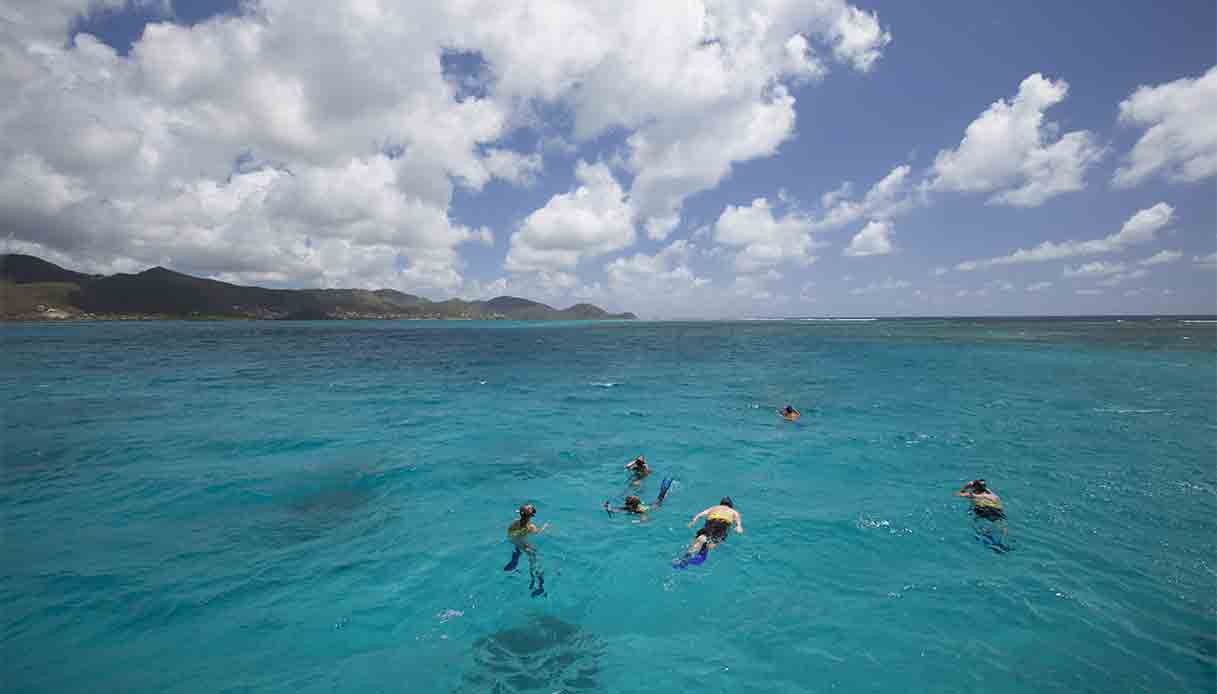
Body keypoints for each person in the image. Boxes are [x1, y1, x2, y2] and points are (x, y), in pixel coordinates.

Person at [504, 503, 549, 596]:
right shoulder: (530, 527)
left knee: (520, 548)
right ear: (531, 516)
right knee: (533, 554)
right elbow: (537, 532)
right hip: (521, 541)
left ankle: (515, 558)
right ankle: (535, 575)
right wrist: (544, 527)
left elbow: (509, 532)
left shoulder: (515, 522)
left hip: (513, 540)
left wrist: (518, 536)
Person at [955, 479, 1008, 551]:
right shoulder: (991, 494)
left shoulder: (973, 495)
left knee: (977, 527)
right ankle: (1002, 542)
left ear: (974, 487)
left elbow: (957, 494)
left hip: (984, 510)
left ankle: (991, 541)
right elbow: (977, 486)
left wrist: (964, 489)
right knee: (1000, 525)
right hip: (997, 510)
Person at [604, 478, 673, 518]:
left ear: (631, 505)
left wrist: (638, 521)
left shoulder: (639, 510)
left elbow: (644, 518)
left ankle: (667, 485)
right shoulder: (629, 508)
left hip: (657, 505)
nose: (625, 504)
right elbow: (618, 509)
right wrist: (608, 508)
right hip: (648, 505)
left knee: (662, 496)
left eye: (626, 503)